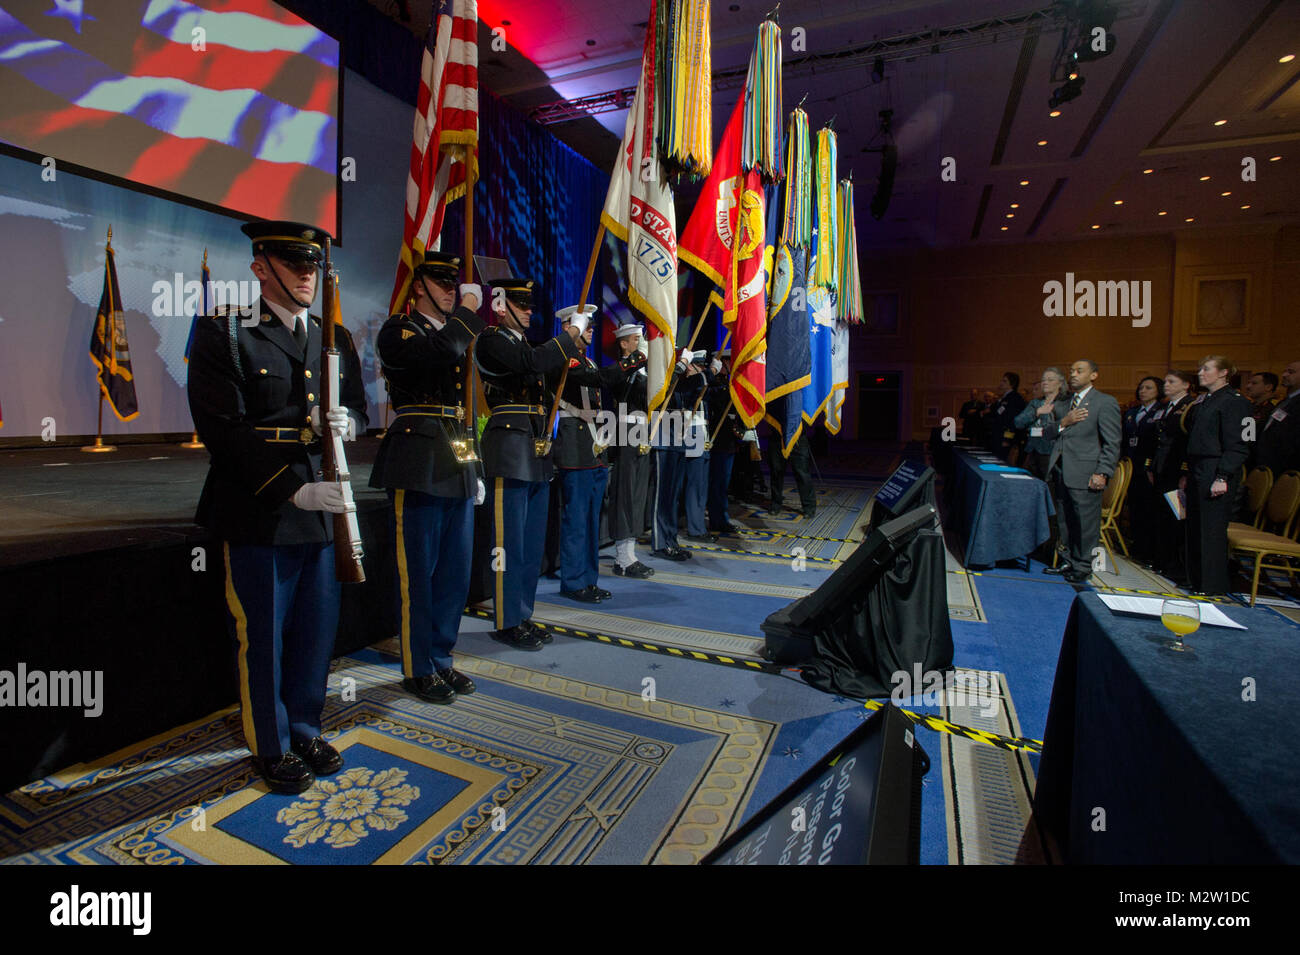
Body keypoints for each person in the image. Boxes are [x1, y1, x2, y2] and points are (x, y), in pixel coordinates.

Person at [187, 219, 368, 794]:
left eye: (313, 266)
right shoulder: (226, 331)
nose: (308, 276)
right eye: (295, 265)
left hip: (323, 504)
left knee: (317, 628)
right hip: (259, 506)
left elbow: (358, 408)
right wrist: (292, 489)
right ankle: (271, 743)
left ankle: (305, 724)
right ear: (261, 267)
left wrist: (350, 423)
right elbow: (224, 430)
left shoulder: (330, 336)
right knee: (263, 633)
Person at [370, 251, 484, 704]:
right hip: (418, 456)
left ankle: (441, 657)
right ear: (418, 287)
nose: (449, 289)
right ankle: (418, 667)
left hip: (455, 453)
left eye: (452, 282)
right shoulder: (400, 331)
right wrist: (469, 316)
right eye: (439, 282)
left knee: (454, 571)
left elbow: (461, 402)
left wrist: (474, 466)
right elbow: (439, 354)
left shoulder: (450, 331)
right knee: (419, 572)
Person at [476, 278, 586, 649]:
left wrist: (574, 349)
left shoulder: (524, 343)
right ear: (501, 305)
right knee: (507, 544)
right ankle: (506, 619)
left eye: (529, 305)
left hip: (535, 446)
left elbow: (547, 365)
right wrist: (569, 334)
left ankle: (523, 613)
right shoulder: (491, 340)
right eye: (520, 304)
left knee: (530, 542)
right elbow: (531, 362)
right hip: (509, 444)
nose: (528, 311)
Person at [552, 304, 646, 601]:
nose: (591, 329)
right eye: (585, 325)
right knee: (577, 518)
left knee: (591, 519)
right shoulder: (564, 356)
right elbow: (601, 380)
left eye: (591, 325)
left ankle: (588, 578)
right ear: (571, 325)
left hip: (594, 443)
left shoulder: (586, 359)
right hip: (575, 442)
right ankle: (573, 581)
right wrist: (634, 360)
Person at [1041, 359, 1122, 583]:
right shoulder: (1063, 403)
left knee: (1085, 523)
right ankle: (1067, 559)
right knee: (1065, 520)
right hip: (1060, 470)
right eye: (1071, 371)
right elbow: (1046, 433)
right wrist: (1063, 422)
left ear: (1094, 375)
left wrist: (1103, 472)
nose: (1073, 374)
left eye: (1079, 371)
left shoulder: (1105, 402)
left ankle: (1084, 565)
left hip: (1087, 472)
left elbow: (1112, 442)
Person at [1181, 355, 1253, 595]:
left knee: (1211, 530)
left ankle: (1211, 586)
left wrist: (1223, 476)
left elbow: (1242, 444)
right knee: (1194, 527)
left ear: (1223, 373)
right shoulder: (1204, 401)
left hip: (1217, 470)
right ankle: (1196, 580)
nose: (1200, 372)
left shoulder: (1237, 402)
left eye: (1206, 369)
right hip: (1198, 468)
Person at [606, 323, 655, 578]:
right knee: (625, 494)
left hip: (642, 433)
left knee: (637, 495)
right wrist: (639, 362)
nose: (640, 344)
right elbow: (623, 389)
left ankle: (630, 553)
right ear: (623, 344)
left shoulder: (643, 371)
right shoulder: (621, 371)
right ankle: (622, 556)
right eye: (636, 340)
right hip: (625, 432)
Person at [651, 349, 706, 561]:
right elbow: (664, 391)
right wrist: (682, 369)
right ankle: (659, 543)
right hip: (663, 439)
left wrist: (705, 374)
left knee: (673, 496)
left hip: (678, 439)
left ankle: (671, 540)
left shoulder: (680, 381)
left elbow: (696, 387)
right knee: (662, 497)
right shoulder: (663, 378)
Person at [1148, 370, 1196, 583]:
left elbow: (1188, 443)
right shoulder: (1166, 407)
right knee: (1160, 516)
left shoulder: (1190, 406)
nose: (1166, 385)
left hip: (1176, 469)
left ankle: (1173, 564)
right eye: (1165, 381)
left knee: (1175, 519)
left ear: (1186, 385)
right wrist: (1151, 466)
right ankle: (1160, 559)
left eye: (1171, 381)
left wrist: (1185, 472)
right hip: (1162, 467)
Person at [1123, 376, 1164, 563]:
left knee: (1147, 509)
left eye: (1148, 388)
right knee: (1134, 508)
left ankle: (1147, 549)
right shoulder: (1132, 412)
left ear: (1158, 391)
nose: (1143, 391)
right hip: (1130, 466)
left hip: (1147, 468)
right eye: (1141, 387)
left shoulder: (1161, 412)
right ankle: (1135, 544)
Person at [706, 350, 744, 534]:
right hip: (718, 440)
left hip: (729, 440)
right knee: (718, 482)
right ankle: (717, 519)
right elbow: (718, 403)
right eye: (728, 361)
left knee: (724, 482)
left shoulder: (728, 384)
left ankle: (722, 517)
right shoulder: (714, 384)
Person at [1015, 368, 1067, 480]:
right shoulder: (1035, 403)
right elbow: (1018, 422)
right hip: (1032, 452)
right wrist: (1037, 412)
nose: (1045, 382)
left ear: (1060, 383)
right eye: (1043, 379)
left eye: (1050, 379)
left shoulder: (1065, 404)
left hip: (1054, 455)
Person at [768, 410, 817, 519]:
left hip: (798, 434)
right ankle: (776, 503)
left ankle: (809, 507)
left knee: (802, 472)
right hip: (777, 433)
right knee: (776, 470)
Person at [1255, 360, 1300, 478]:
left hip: (1286, 470)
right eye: (1284, 371)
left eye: (1291, 372)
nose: (1284, 375)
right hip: (1267, 465)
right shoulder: (1284, 402)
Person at [987, 372, 1028, 461]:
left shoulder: (1015, 398)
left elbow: (1012, 421)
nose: (1001, 383)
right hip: (997, 437)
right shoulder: (1004, 398)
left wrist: (1007, 439)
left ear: (1012, 384)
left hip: (1005, 439)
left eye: (1004, 381)